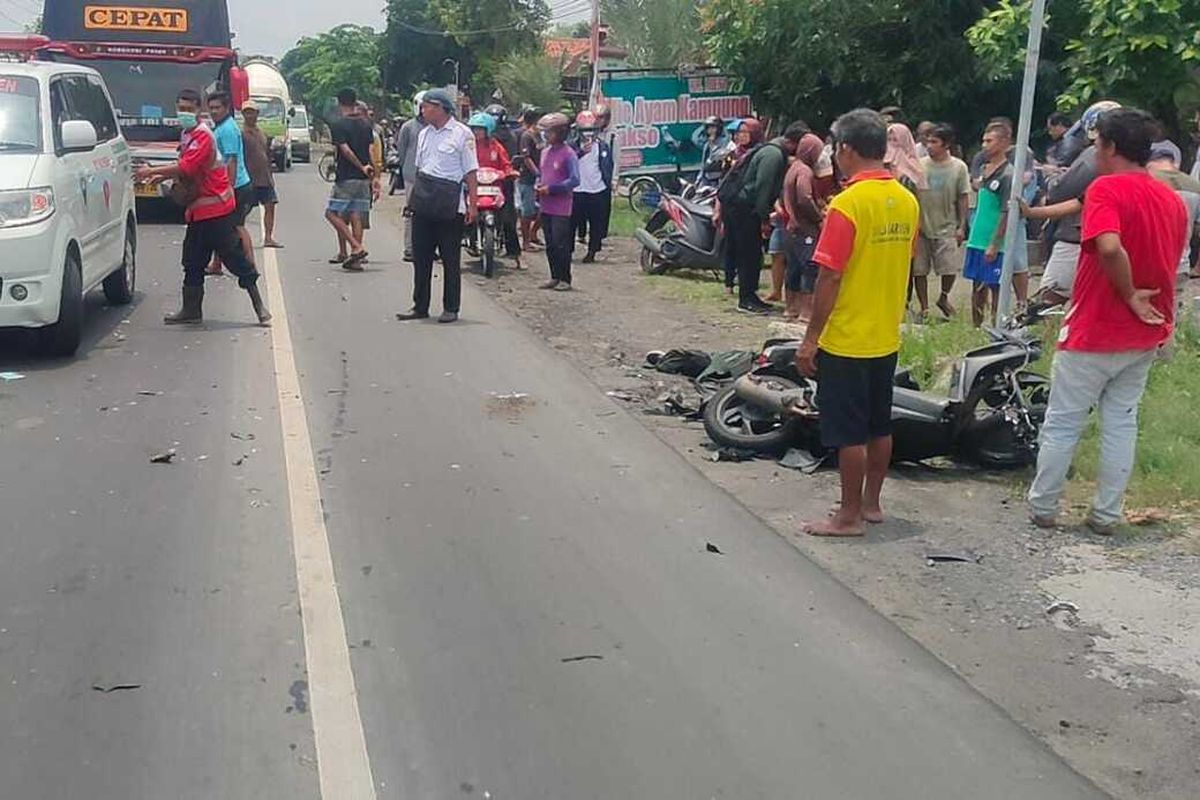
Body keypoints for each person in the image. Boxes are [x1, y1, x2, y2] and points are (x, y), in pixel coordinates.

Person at [1028, 108, 1188, 534]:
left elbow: (1110, 246)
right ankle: (1106, 514)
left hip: (1096, 325)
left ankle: (1044, 507)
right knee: (1121, 421)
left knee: (1064, 420)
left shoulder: (1106, 190)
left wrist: (1128, 292)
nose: (1094, 151)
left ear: (1111, 146)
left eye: (1097, 144)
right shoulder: (1170, 199)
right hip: (1145, 331)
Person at [796, 108, 919, 537]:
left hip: (848, 335)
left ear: (845, 149)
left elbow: (830, 275)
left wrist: (810, 338)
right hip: (886, 331)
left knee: (848, 431)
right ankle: (871, 504)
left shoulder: (847, 205)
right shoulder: (906, 199)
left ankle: (846, 518)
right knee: (878, 424)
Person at [134, 88, 270, 327]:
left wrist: (151, 171)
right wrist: (162, 178)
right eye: (181, 108)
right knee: (192, 262)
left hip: (216, 211)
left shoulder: (204, 136)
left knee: (236, 260)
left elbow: (187, 167)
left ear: (199, 110)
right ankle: (191, 310)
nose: (184, 113)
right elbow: (188, 170)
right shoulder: (188, 135)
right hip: (198, 211)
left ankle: (259, 307)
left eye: (189, 109)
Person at [396, 89, 478, 323]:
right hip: (424, 199)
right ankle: (420, 305)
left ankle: (451, 307)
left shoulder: (463, 134)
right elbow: (421, 168)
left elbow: (471, 172)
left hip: (449, 202)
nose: (423, 110)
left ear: (441, 108)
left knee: (450, 258)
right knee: (421, 257)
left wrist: (473, 204)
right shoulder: (424, 134)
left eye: (427, 106)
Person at [717, 120, 806, 313]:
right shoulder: (773, 155)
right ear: (796, 143)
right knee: (748, 253)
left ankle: (750, 295)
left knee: (751, 253)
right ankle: (746, 299)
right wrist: (764, 217)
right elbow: (763, 189)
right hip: (743, 208)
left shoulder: (771, 150)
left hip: (741, 206)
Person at [1039, 101, 1120, 304]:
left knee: (1048, 299)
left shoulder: (1093, 156)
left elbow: (1060, 192)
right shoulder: (1131, 157)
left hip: (1076, 236)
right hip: (1110, 236)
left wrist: (1052, 178)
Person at [915, 123, 969, 318]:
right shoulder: (919, 165)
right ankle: (924, 307)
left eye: (934, 142)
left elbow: (963, 197)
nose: (929, 145)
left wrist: (962, 225)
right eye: (928, 141)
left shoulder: (958, 167)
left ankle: (943, 297)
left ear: (946, 145)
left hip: (947, 224)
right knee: (919, 270)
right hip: (921, 225)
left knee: (949, 267)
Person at [964, 122, 1013, 326]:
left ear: (1003, 143)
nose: (985, 145)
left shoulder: (1008, 174)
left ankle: (997, 326)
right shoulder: (984, 169)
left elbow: (1006, 211)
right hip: (977, 237)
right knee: (977, 285)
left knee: (995, 286)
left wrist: (995, 242)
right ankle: (976, 327)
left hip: (993, 240)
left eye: (989, 141)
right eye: (983, 140)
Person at [1146, 140, 1200, 313]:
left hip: (1147, 263)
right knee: (1169, 316)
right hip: (1181, 263)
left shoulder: (1148, 182)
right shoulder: (1194, 186)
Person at [324, 88, 374, 271]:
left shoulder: (339, 125)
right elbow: (370, 151)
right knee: (356, 214)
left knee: (331, 213)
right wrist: (371, 172)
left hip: (347, 177)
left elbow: (344, 150)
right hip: (363, 178)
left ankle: (355, 246)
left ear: (339, 102)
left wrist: (360, 165)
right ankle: (356, 259)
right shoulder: (366, 124)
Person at [205, 91, 255, 277]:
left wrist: (229, 189)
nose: (213, 111)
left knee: (236, 227)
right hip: (229, 184)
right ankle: (216, 264)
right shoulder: (220, 127)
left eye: (217, 108)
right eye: (211, 108)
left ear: (227, 108)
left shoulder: (227, 130)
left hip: (237, 185)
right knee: (222, 227)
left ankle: (249, 265)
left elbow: (231, 161)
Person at [779, 132, 826, 321]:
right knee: (809, 268)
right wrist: (818, 217)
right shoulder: (804, 171)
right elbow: (804, 197)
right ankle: (806, 311)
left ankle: (791, 308)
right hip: (804, 227)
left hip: (790, 227)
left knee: (793, 268)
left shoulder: (793, 168)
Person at [535, 112, 580, 290]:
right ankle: (554, 275)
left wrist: (553, 189)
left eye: (550, 132)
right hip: (546, 205)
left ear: (561, 133)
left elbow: (575, 180)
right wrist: (539, 185)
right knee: (550, 243)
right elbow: (542, 174)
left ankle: (565, 279)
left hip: (561, 207)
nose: (546, 135)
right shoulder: (545, 152)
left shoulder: (569, 154)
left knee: (561, 243)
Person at [466, 111, 517, 263]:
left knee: (507, 215)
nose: (477, 132)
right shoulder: (468, 146)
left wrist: (510, 172)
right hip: (473, 186)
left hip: (493, 187)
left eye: (480, 129)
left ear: (488, 130)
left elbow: (506, 163)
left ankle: (509, 245)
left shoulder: (496, 146)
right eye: (475, 129)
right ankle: (466, 237)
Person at [571, 109, 614, 264]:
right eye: (585, 131)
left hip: (597, 190)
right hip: (577, 190)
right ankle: (569, 250)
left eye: (592, 131)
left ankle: (592, 251)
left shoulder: (603, 147)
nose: (588, 135)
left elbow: (608, 165)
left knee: (596, 224)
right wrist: (580, 152)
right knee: (572, 224)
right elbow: (567, 163)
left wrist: (608, 184)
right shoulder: (571, 147)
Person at [239, 101, 282, 249]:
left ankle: (268, 237)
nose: (250, 115)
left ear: (257, 114)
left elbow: (266, 154)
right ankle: (236, 236)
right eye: (247, 112)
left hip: (264, 177)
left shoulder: (261, 132)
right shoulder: (241, 134)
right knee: (243, 210)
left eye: (252, 112)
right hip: (249, 179)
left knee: (270, 205)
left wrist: (270, 174)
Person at [486, 103, 522, 260]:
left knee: (508, 214)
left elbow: (511, 160)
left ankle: (512, 248)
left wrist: (508, 171)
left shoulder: (508, 138)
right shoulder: (476, 139)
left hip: (502, 179)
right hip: (482, 179)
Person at [394, 91, 428, 261]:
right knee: (411, 212)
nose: (425, 111)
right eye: (423, 107)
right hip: (412, 177)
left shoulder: (435, 127)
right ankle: (409, 248)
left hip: (432, 178)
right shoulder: (408, 127)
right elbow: (402, 151)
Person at [515, 108, 543, 251]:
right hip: (528, 178)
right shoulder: (527, 136)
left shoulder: (539, 136)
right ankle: (526, 243)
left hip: (542, 178)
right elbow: (526, 158)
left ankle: (533, 233)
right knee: (527, 211)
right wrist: (537, 173)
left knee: (543, 210)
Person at [693, 115, 729, 187]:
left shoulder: (725, 142)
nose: (711, 130)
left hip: (720, 179)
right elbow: (704, 163)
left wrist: (713, 146)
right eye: (708, 128)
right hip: (707, 179)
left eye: (713, 127)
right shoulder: (707, 144)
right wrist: (699, 179)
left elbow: (719, 157)